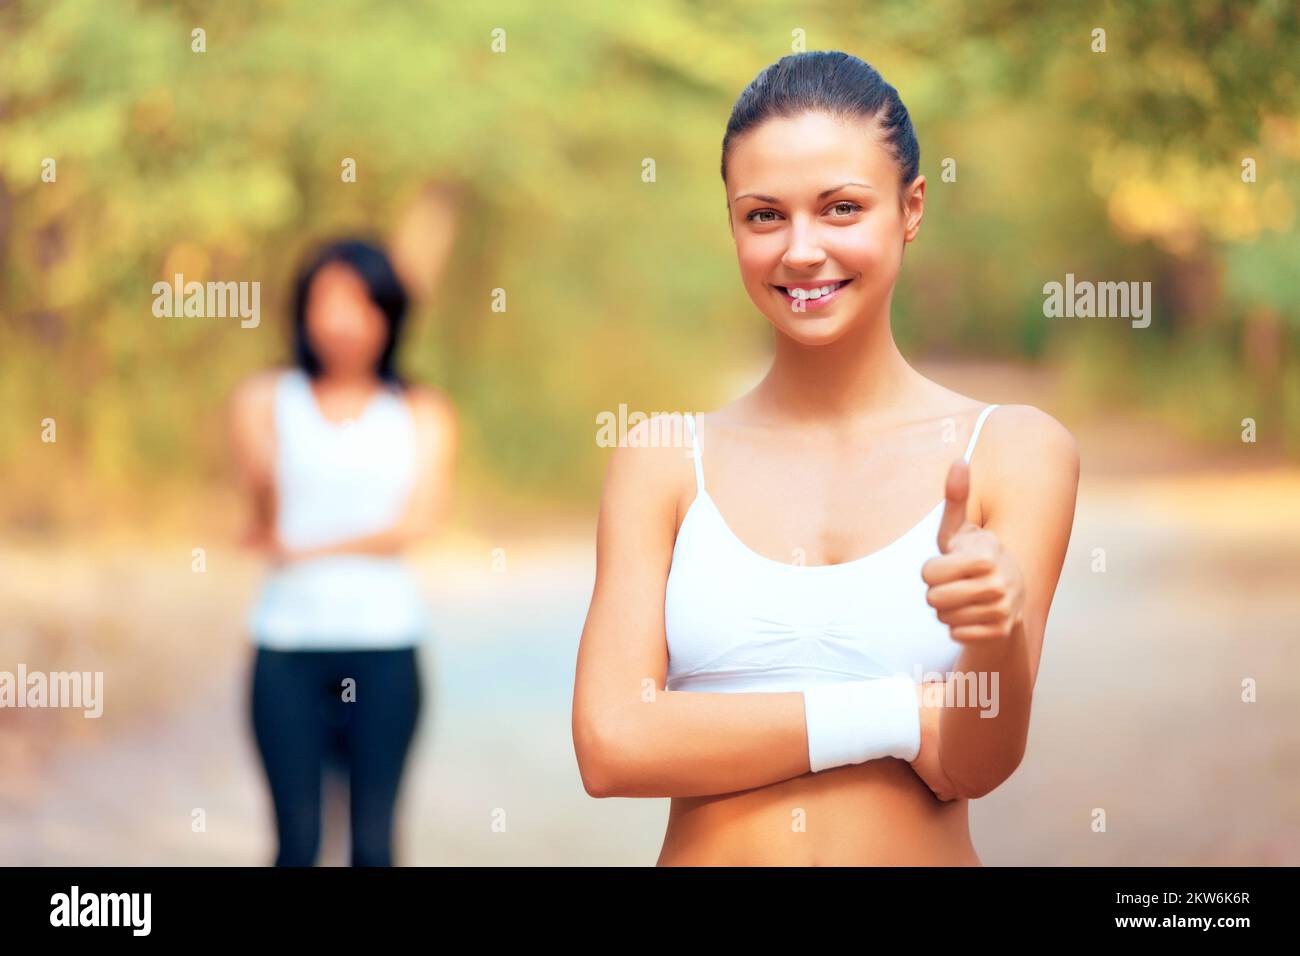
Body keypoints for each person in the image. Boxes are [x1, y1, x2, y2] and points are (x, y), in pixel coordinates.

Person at [571, 51, 1079, 865]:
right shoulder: (663, 458)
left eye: (841, 208)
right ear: (733, 224)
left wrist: (997, 632)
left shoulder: (1015, 451)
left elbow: (972, 763)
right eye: (764, 216)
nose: (802, 251)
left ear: (911, 209)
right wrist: (904, 715)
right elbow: (613, 742)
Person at [227, 238, 457, 866]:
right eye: (326, 303)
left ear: (389, 315)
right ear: (302, 311)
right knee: (294, 846)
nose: (342, 321)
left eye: (360, 305)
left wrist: (305, 547)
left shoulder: (420, 410)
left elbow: (417, 523)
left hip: (384, 646)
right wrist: (283, 523)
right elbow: (260, 521)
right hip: (286, 646)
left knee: (374, 846)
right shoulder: (265, 398)